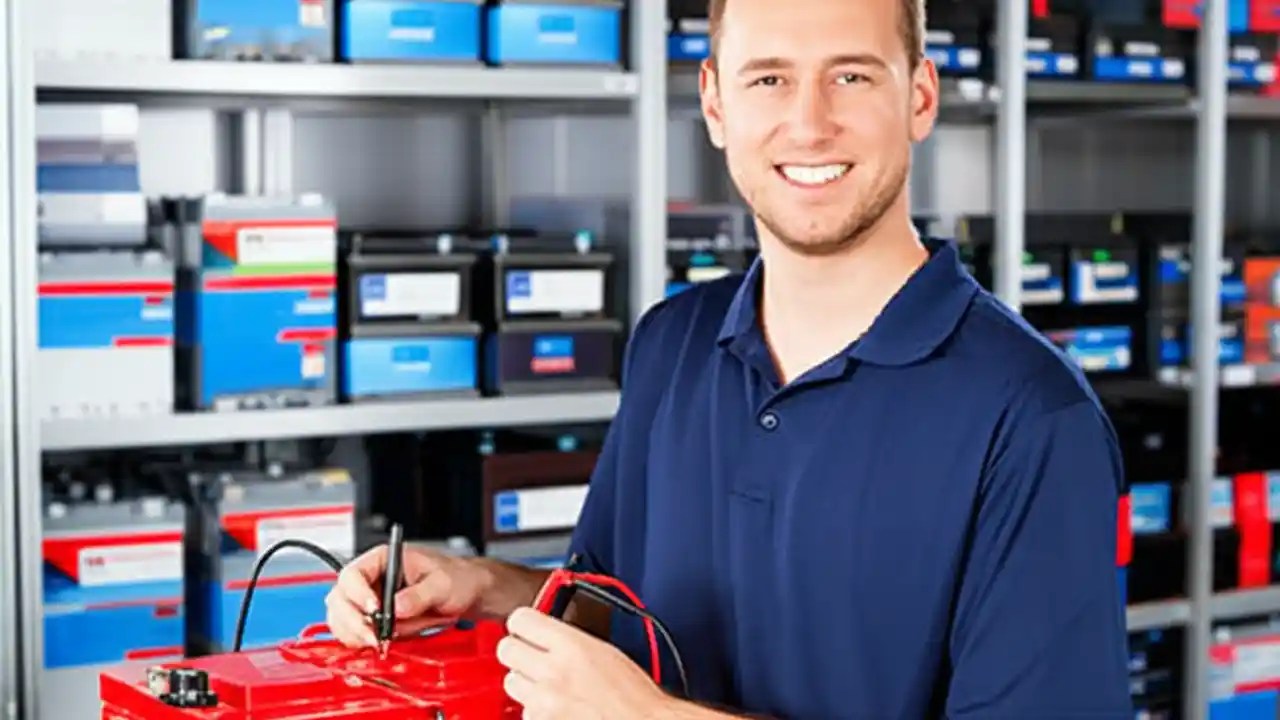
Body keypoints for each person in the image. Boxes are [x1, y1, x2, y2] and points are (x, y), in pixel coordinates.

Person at [325, 0, 1134, 716]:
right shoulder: (672, 342)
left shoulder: (1032, 417)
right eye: (769, 79)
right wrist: (482, 588)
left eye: (850, 77)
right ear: (714, 102)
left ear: (919, 96)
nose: (810, 123)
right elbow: (622, 606)